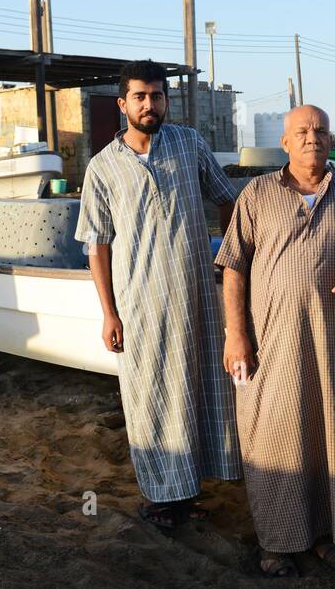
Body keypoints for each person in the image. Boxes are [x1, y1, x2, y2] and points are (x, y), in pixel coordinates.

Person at [216, 105, 335, 577]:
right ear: (286, 144)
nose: (312, 138)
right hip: (273, 345)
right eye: (302, 132)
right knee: (276, 437)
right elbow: (233, 265)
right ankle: (277, 542)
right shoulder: (256, 193)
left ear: (332, 142)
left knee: (334, 437)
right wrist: (236, 335)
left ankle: (329, 538)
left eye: (320, 131)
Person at [75, 59, 241, 529]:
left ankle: (188, 493)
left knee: (200, 390)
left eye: (158, 95)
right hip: (139, 305)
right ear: (123, 103)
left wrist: (227, 260)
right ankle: (160, 499)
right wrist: (109, 313)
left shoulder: (189, 144)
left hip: (197, 300)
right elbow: (98, 245)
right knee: (149, 397)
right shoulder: (103, 167)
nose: (150, 104)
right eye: (140, 97)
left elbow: (228, 198)